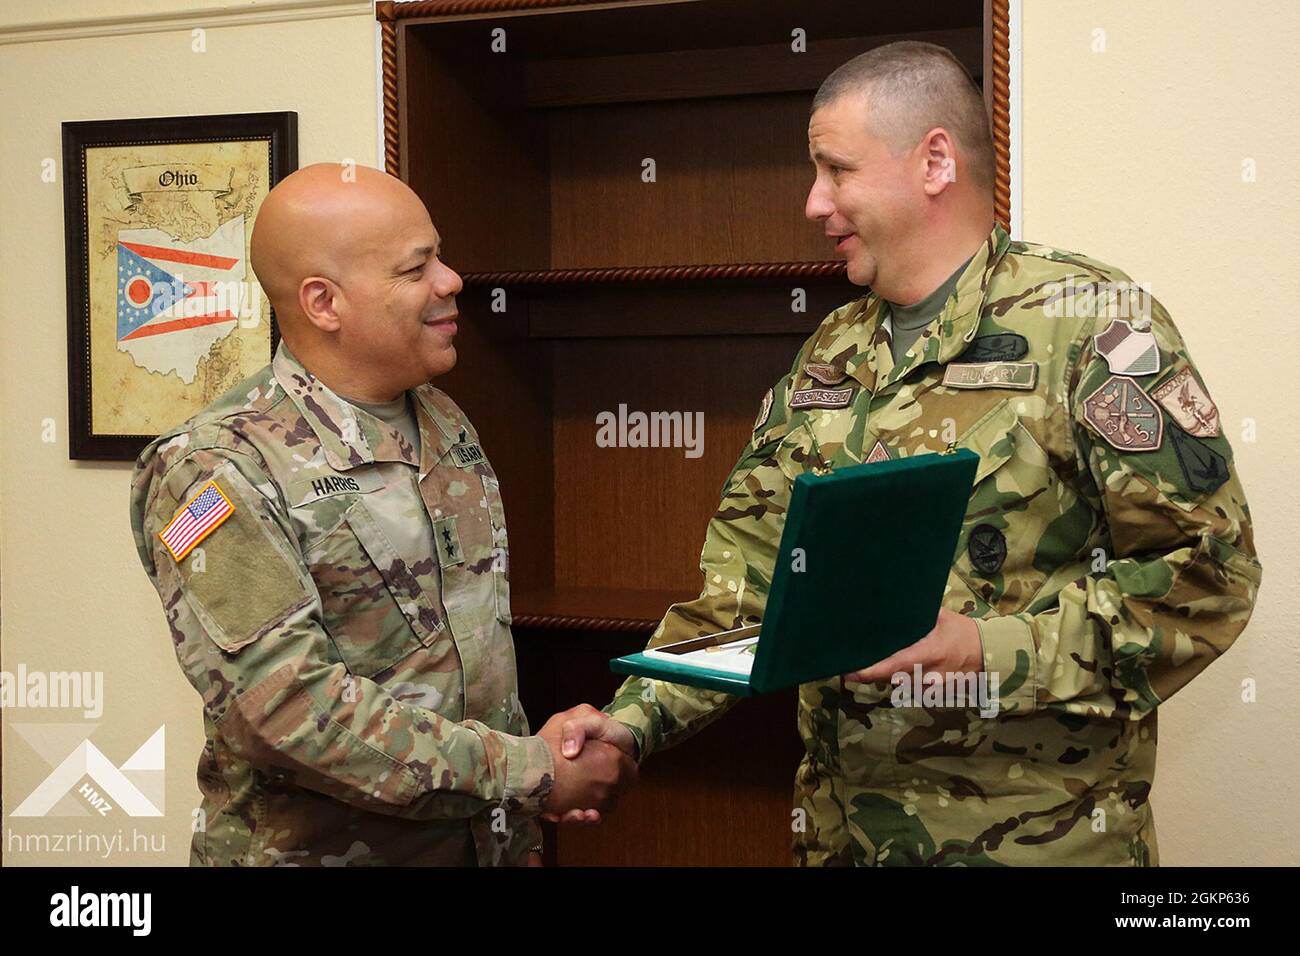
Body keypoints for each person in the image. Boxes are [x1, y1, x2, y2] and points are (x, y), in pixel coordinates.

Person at [555, 41, 1262, 865]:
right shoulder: (832, 349)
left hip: (1038, 847)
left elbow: (1208, 579)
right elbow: (745, 589)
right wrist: (630, 726)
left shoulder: (1093, 323)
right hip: (841, 839)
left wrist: (985, 652)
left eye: (836, 170)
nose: (815, 203)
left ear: (933, 162)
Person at [129, 163, 634, 866]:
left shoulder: (441, 419)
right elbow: (287, 710)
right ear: (324, 302)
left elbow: (466, 654)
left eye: (441, 257)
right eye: (417, 267)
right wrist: (529, 770)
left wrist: (543, 761)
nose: (452, 280)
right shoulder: (212, 470)